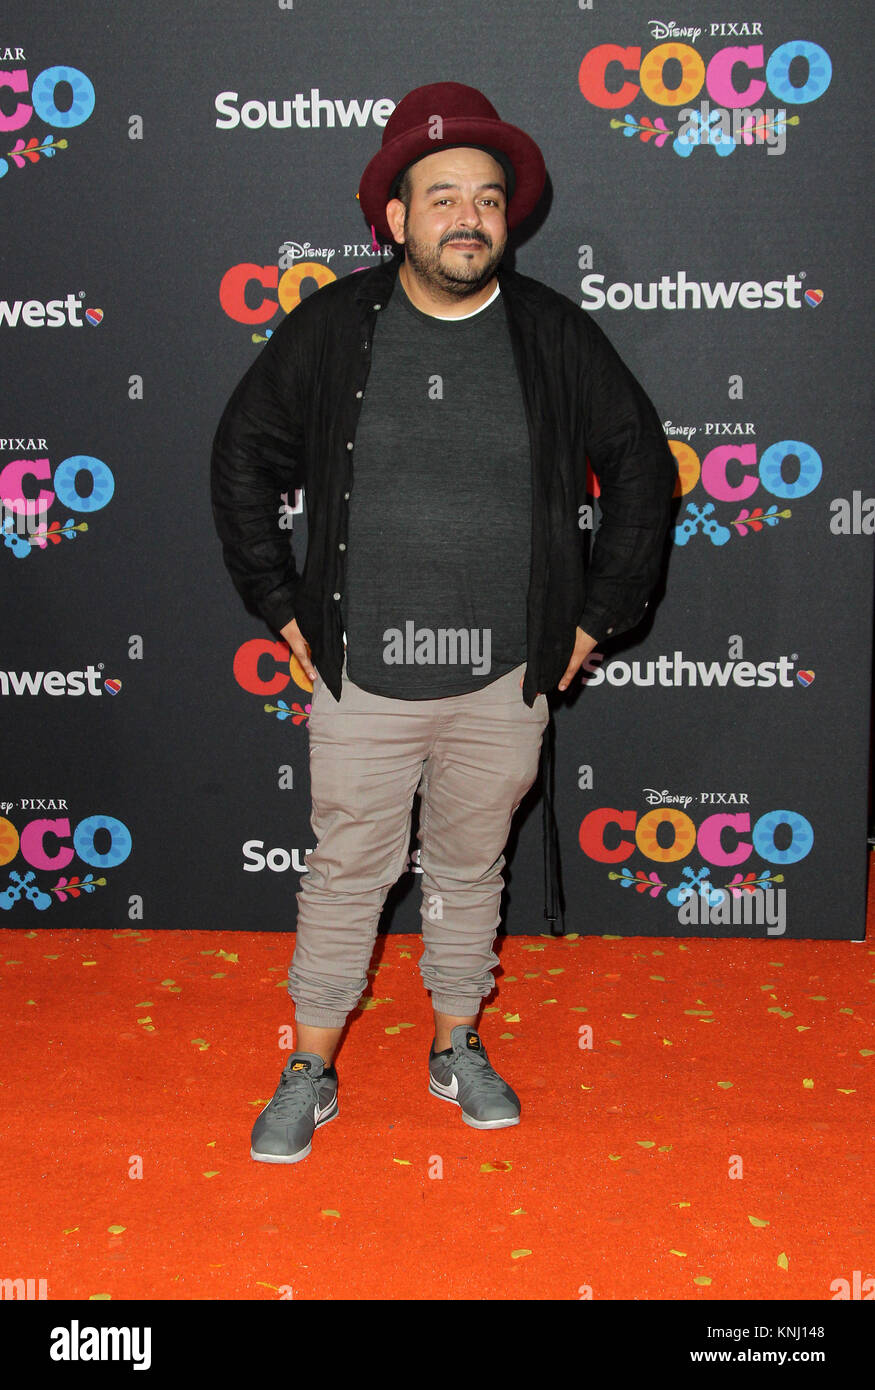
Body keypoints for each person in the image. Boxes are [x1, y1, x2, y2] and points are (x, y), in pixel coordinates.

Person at [211, 82, 676, 1164]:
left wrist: (597, 615)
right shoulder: (332, 327)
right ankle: (309, 1065)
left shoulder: (552, 333)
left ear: (504, 219)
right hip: (362, 671)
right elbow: (242, 455)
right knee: (347, 872)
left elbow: (641, 469)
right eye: (440, 198)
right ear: (394, 218)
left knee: (470, 870)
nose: (466, 218)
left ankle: (453, 1043)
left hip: (503, 675)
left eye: (485, 199)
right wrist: (276, 603)